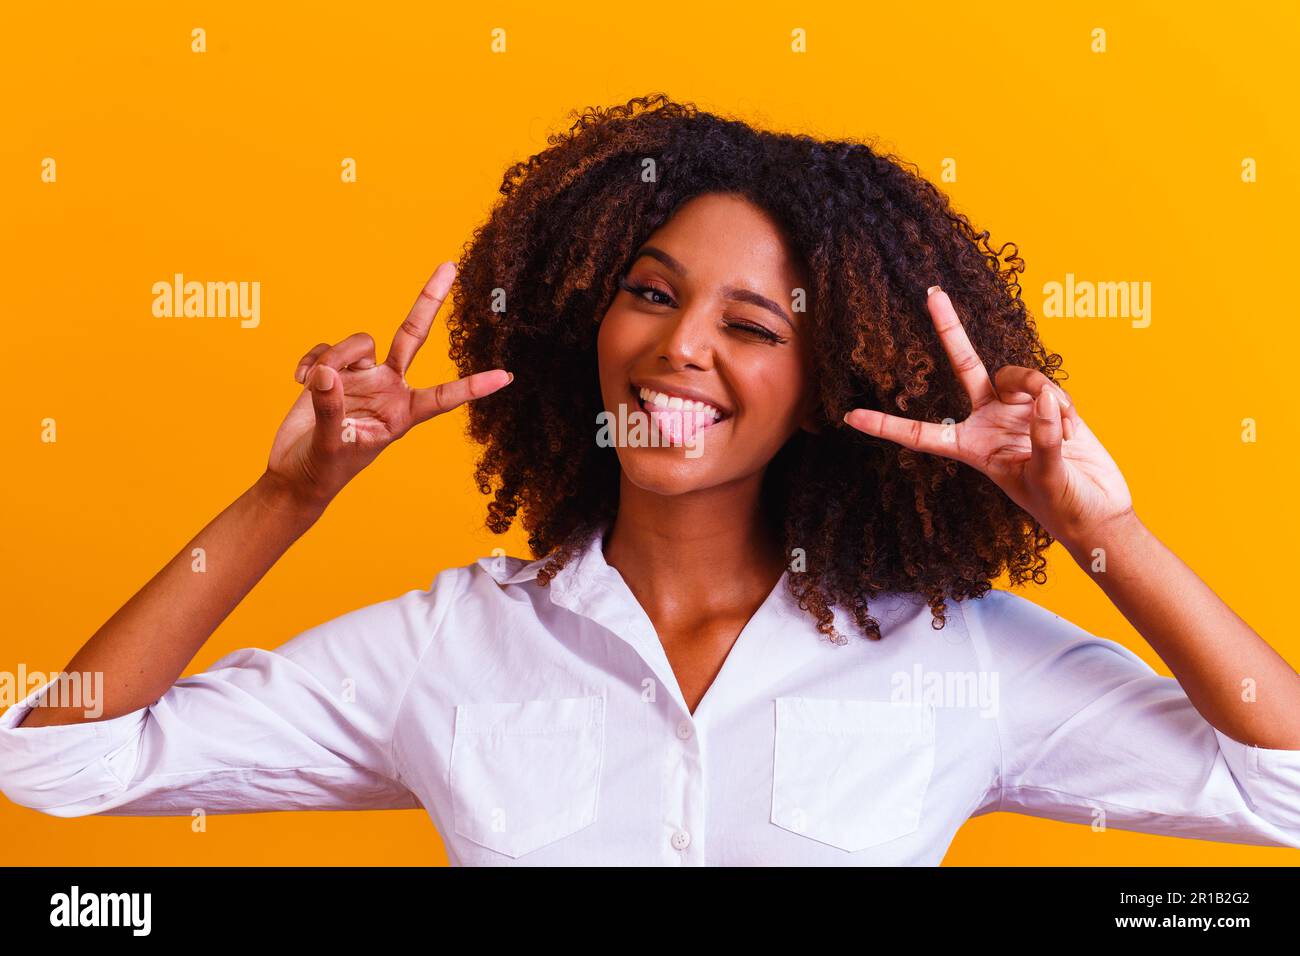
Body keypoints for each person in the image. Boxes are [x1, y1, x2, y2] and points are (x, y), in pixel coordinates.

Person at [2, 94, 1297, 865]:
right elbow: (59, 761)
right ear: (586, 325)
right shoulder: (447, 648)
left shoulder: (955, 659)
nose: (682, 346)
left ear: (827, 380)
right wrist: (288, 497)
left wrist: (1102, 530)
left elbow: (1280, 788)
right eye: (651, 294)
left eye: (752, 324)